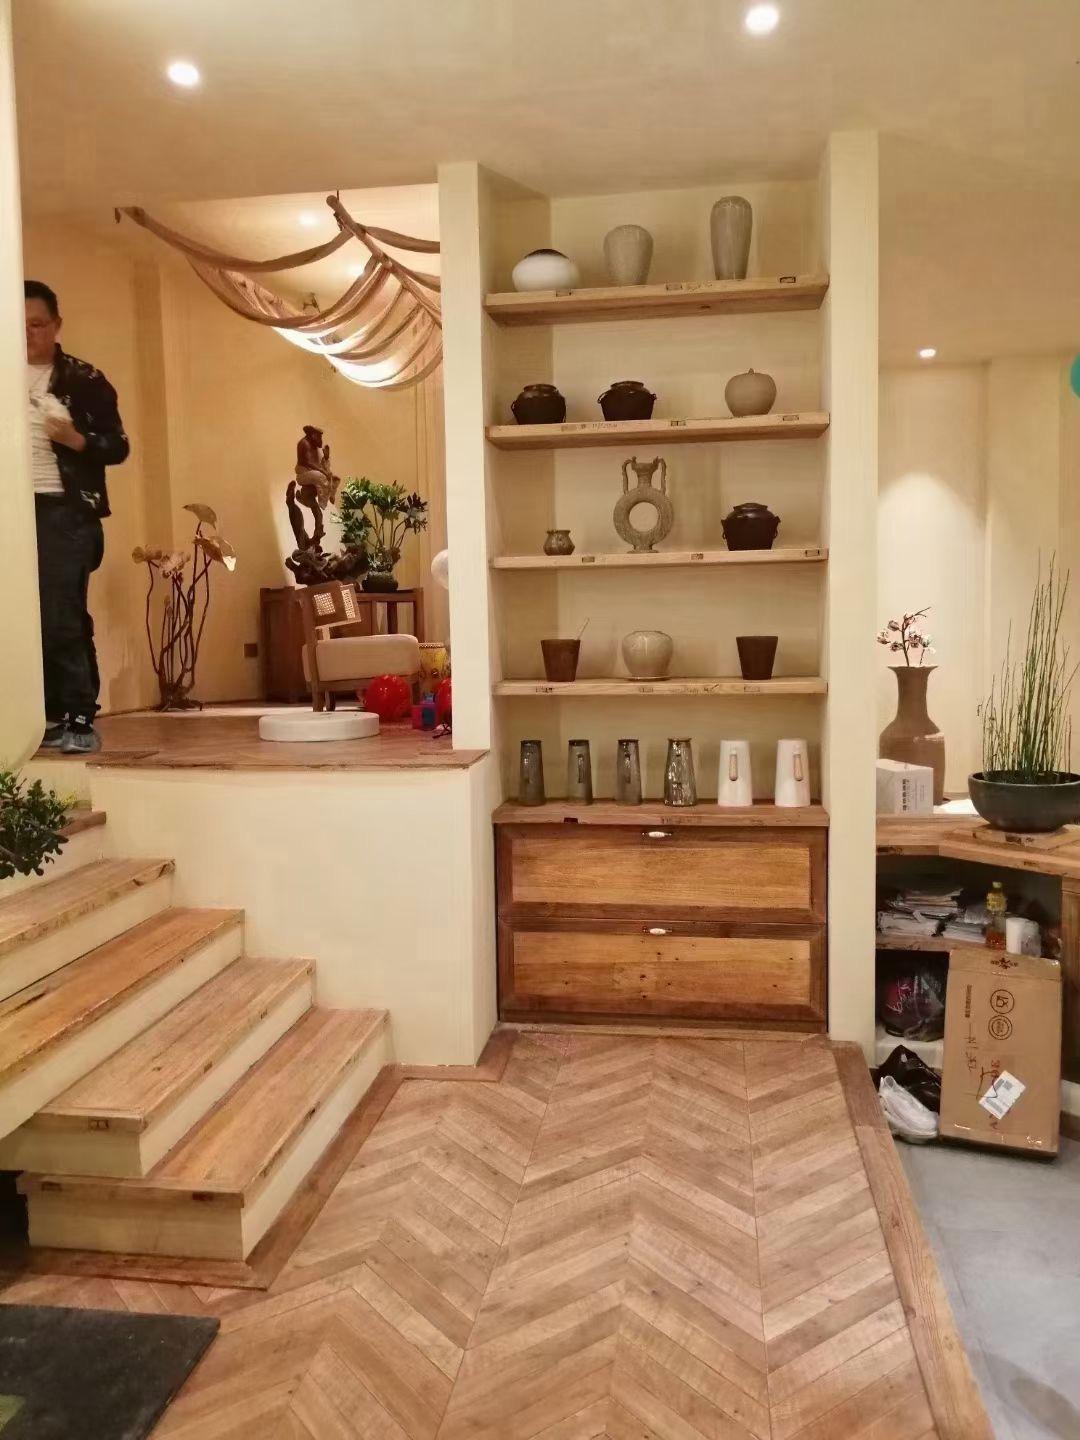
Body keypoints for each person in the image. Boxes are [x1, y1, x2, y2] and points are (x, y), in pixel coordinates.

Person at [25, 280, 129, 753]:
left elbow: (118, 446)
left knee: (60, 613)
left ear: (56, 325)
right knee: (21, 616)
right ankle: (42, 714)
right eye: (18, 325)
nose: (28, 334)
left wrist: (75, 440)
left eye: (37, 324)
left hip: (65, 510)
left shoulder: (83, 379)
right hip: (13, 511)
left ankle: (79, 714)